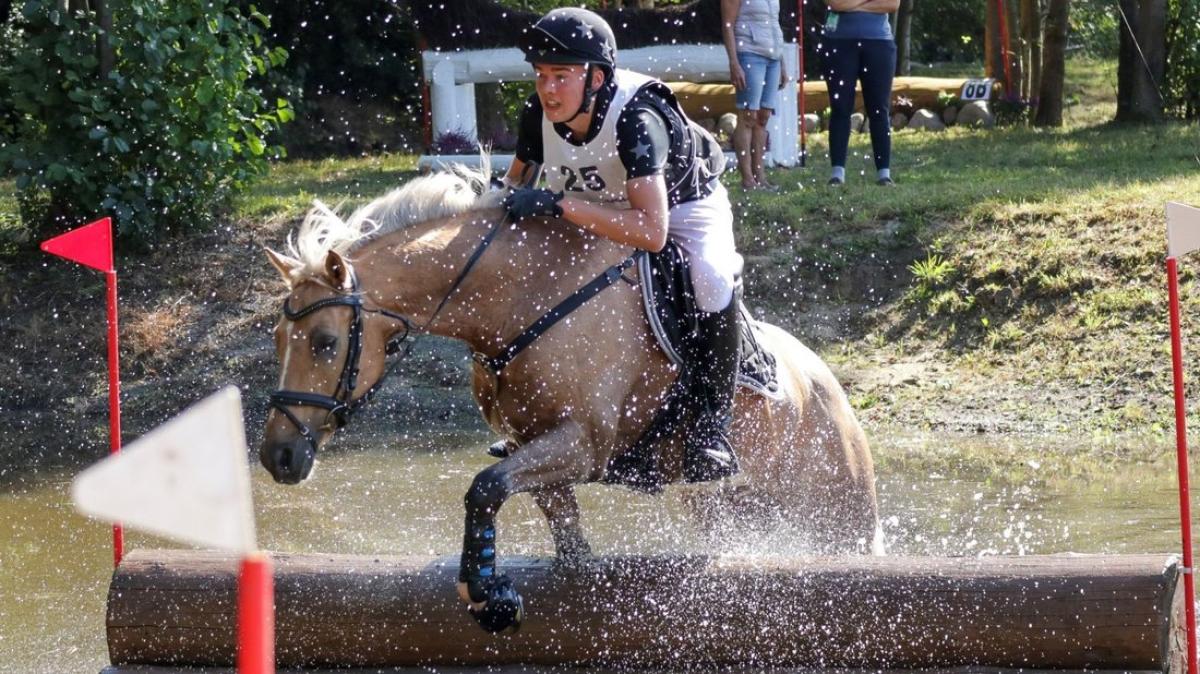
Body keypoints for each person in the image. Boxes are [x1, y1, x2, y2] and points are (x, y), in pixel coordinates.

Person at [499, 7, 743, 482]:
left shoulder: (636, 118)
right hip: (594, 206)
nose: (548, 89)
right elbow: (512, 188)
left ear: (596, 77)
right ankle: (535, 417)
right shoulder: (538, 113)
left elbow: (652, 232)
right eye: (541, 75)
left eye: (561, 76)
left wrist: (557, 207)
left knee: (711, 279)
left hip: (682, 207)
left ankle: (712, 430)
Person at [820, 0, 899, 186]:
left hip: (879, 43)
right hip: (838, 43)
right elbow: (835, 4)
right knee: (840, 108)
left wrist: (852, 4)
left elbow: (892, 4)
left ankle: (884, 174)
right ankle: (837, 173)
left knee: (879, 109)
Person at [720, 0, 788, 191]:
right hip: (749, 53)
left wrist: (782, 63)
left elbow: (773, 22)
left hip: (773, 57)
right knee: (748, 116)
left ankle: (761, 176)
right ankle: (748, 179)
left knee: (763, 117)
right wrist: (734, 63)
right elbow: (727, 25)